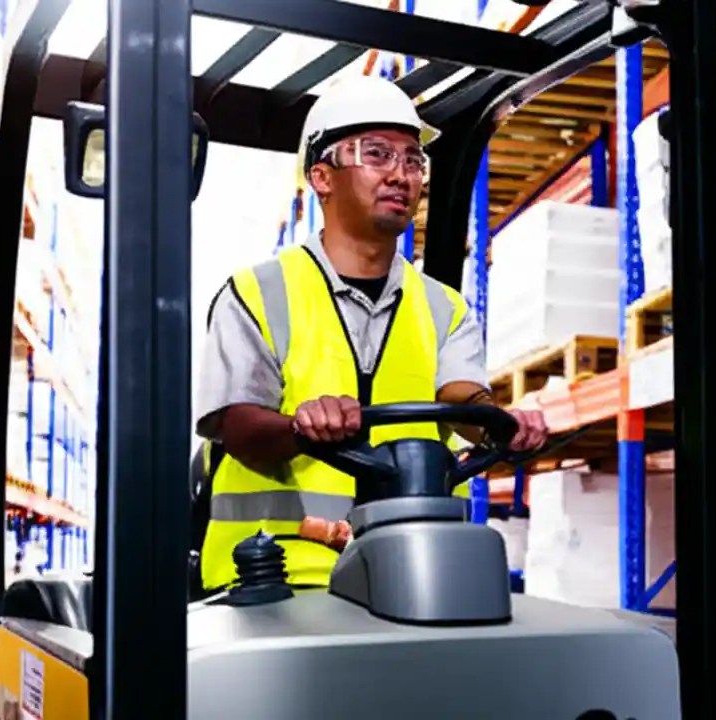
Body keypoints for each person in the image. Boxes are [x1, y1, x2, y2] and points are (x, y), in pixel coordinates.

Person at [193, 75, 549, 592]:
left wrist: (501, 423)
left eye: (412, 160)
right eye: (377, 154)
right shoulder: (257, 293)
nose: (401, 175)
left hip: (411, 574)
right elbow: (239, 429)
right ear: (322, 176)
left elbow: (460, 397)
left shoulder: (443, 306)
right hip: (273, 579)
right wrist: (299, 426)